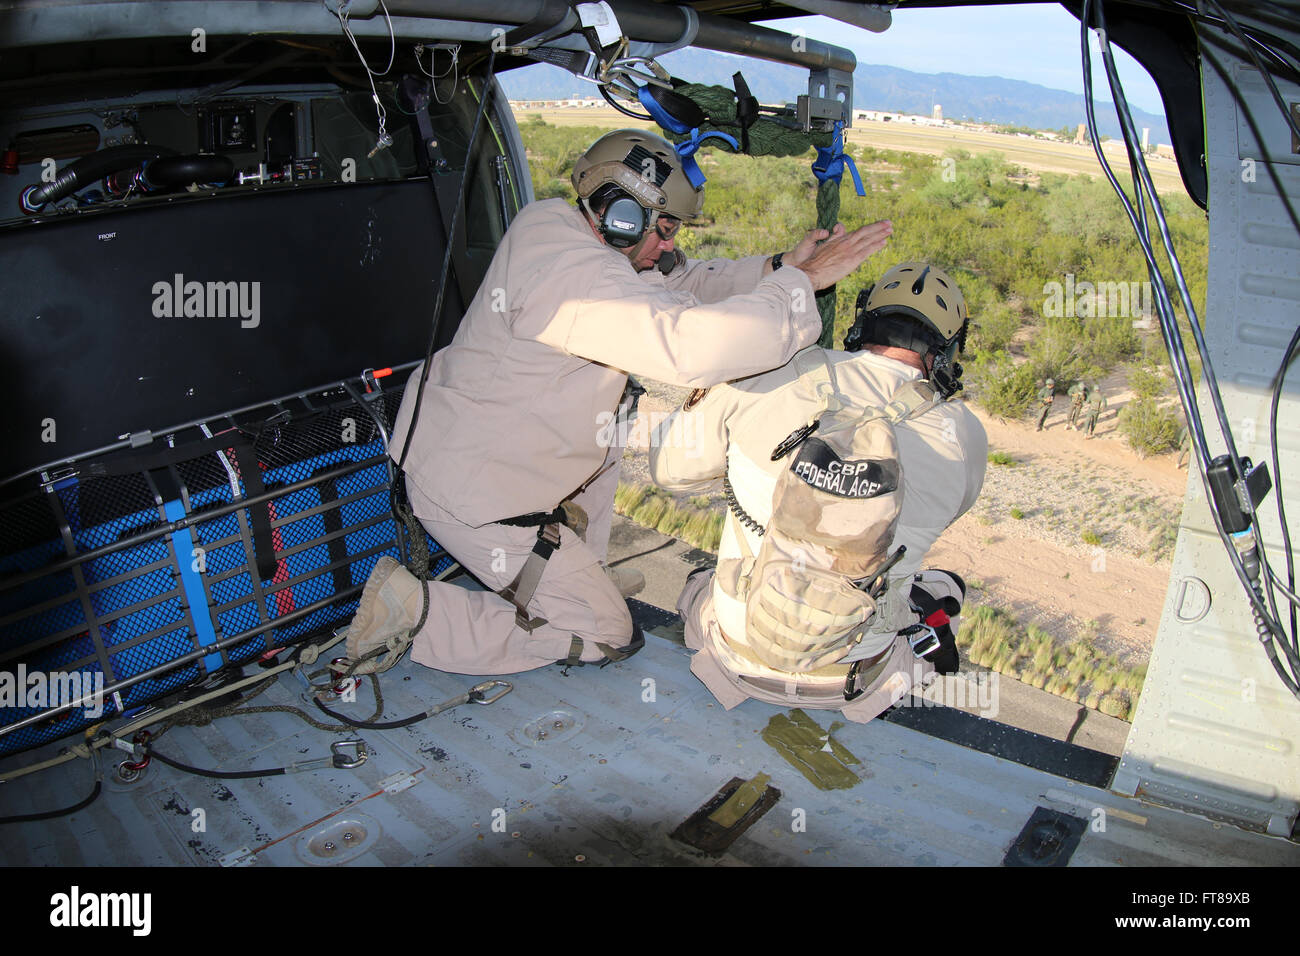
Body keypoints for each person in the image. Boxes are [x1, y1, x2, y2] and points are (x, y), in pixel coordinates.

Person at [344, 128, 894, 677]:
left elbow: (682, 285)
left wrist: (777, 269)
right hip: (476, 496)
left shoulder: (562, 226)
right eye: (665, 229)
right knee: (608, 633)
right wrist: (806, 282)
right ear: (624, 215)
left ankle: (567, 584)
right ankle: (414, 611)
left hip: (502, 462)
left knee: (602, 469)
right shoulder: (572, 273)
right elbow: (688, 343)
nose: (670, 244)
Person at [649, 262, 987, 722]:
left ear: (862, 321)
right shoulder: (965, 434)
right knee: (943, 588)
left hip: (738, 659)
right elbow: (946, 513)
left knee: (701, 582)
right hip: (849, 678)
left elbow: (669, 471)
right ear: (945, 352)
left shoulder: (772, 371)